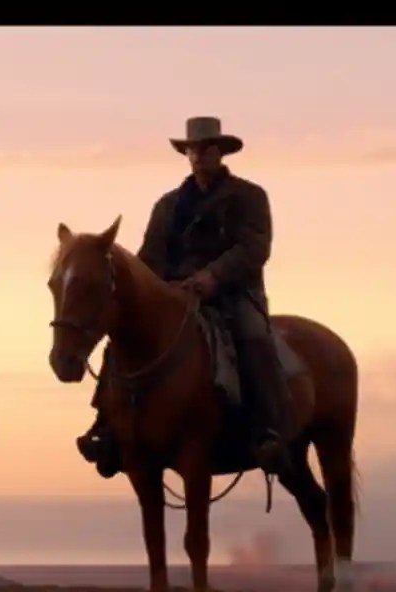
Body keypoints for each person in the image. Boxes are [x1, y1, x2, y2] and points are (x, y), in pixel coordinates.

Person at [75, 116, 293, 478]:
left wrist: (213, 276)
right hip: (175, 295)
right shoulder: (168, 205)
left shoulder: (248, 197)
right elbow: (150, 258)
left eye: (206, 148)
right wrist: (149, 291)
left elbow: (253, 248)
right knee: (122, 336)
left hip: (232, 293)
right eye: (192, 149)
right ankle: (107, 425)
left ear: (220, 152)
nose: (198, 155)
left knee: (252, 335)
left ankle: (268, 431)